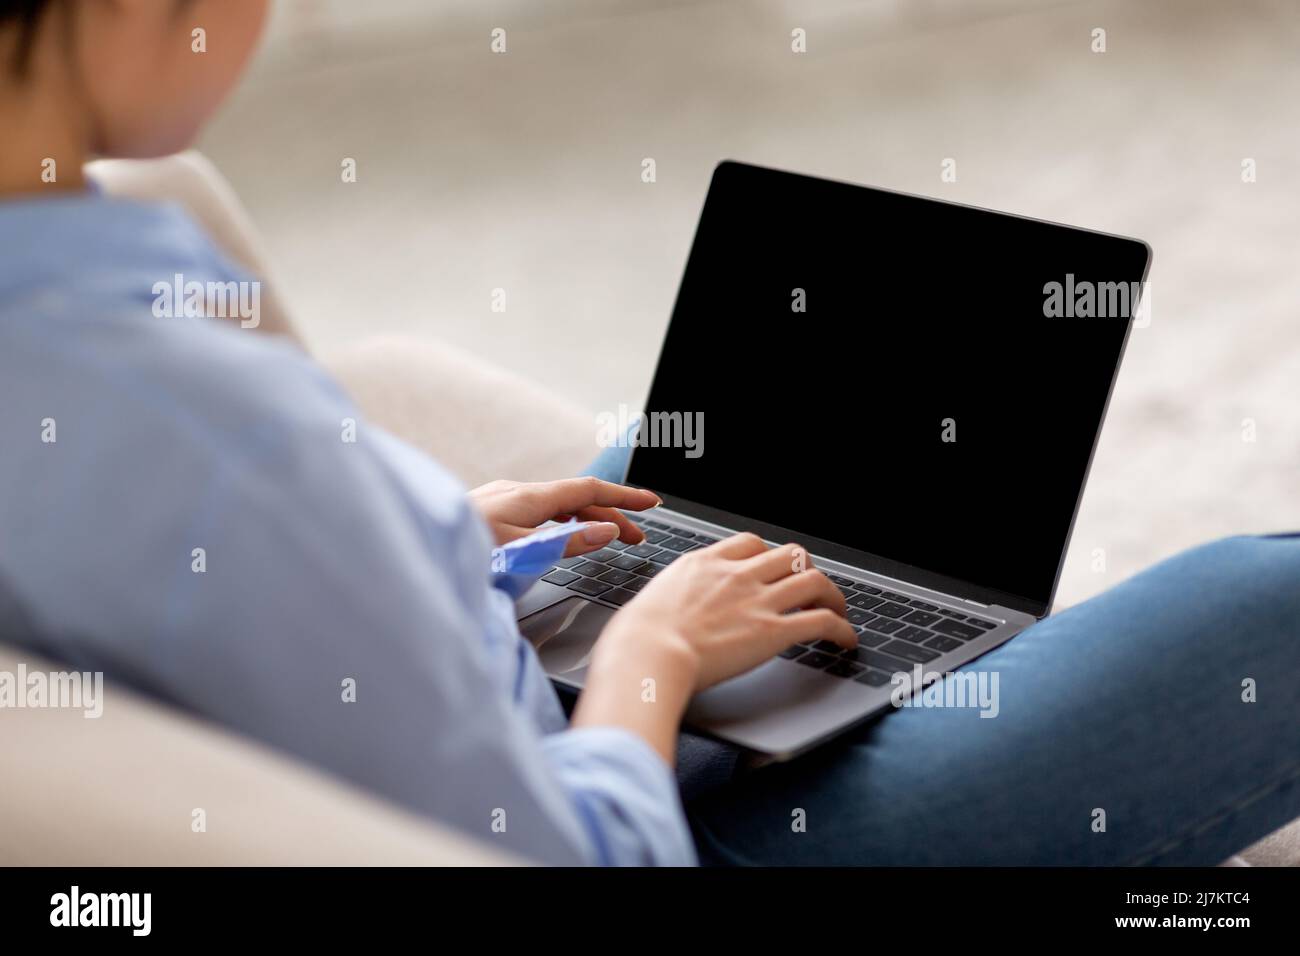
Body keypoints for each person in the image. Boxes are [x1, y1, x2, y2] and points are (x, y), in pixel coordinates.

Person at [1, 0, 1296, 867]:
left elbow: (208, 590)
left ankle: (898, 647)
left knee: (691, 468)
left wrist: (437, 540)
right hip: (634, 818)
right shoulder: (227, 438)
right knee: (1272, 604)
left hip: (470, 705)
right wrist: (656, 658)